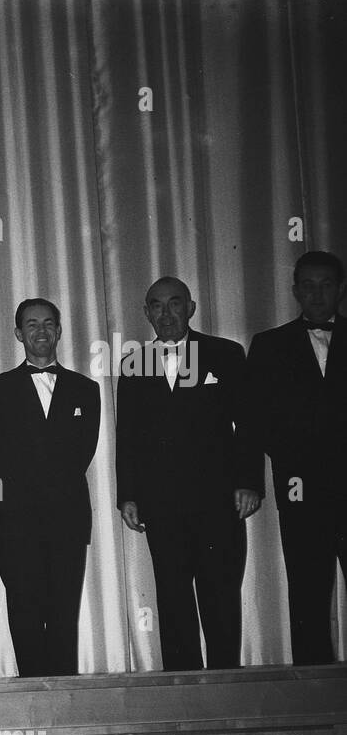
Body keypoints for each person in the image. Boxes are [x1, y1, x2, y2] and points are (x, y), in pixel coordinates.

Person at [116, 278, 263, 670]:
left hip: (217, 501)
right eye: (157, 305)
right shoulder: (134, 362)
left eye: (175, 303)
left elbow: (249, 424)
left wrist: (248, 482)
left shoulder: (224, 354)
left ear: (191, 308)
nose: (166, 314)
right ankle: (181, 689)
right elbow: (127, 434)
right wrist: (127, 494)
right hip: (161, 504)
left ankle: (225, 688)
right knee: (172, 599)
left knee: (220, 597)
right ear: (146, 313)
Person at [0, 298, 100, 677]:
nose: (41, 331)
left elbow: (81, 454)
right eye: (32, 324)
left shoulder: (86, 389)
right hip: (16, 524)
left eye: (48, 323)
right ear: (19, 334)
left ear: (59, 330)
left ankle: (66, 697)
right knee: (24, 615)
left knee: (65, 615)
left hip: (68, 520)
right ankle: (32, 694)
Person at [245, 250, 347, 665]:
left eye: (326, 285)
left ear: (340, 289)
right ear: (295, 291)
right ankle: (313, 693)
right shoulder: (269, 345)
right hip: (300, 488)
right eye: (308, 285)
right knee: (307, 594)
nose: (317, 294)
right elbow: (254, 421)